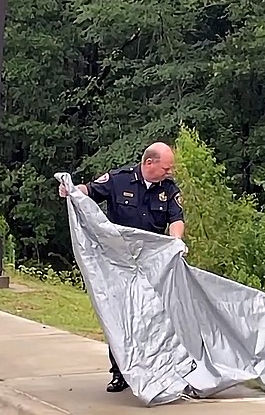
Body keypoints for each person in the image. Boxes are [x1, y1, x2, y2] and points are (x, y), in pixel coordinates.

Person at [59, 141, 186, 393]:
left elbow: (176, 219)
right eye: (166, 168)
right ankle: (120, 373)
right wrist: (71, 190)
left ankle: (153, 370)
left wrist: (176, 243)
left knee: (151, 317)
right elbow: (90, 191)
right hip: (118, 264)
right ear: (149, 163)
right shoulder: (119, 180)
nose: (169, 173)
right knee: (120, 317)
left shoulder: (169, 189)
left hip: (151, 264)